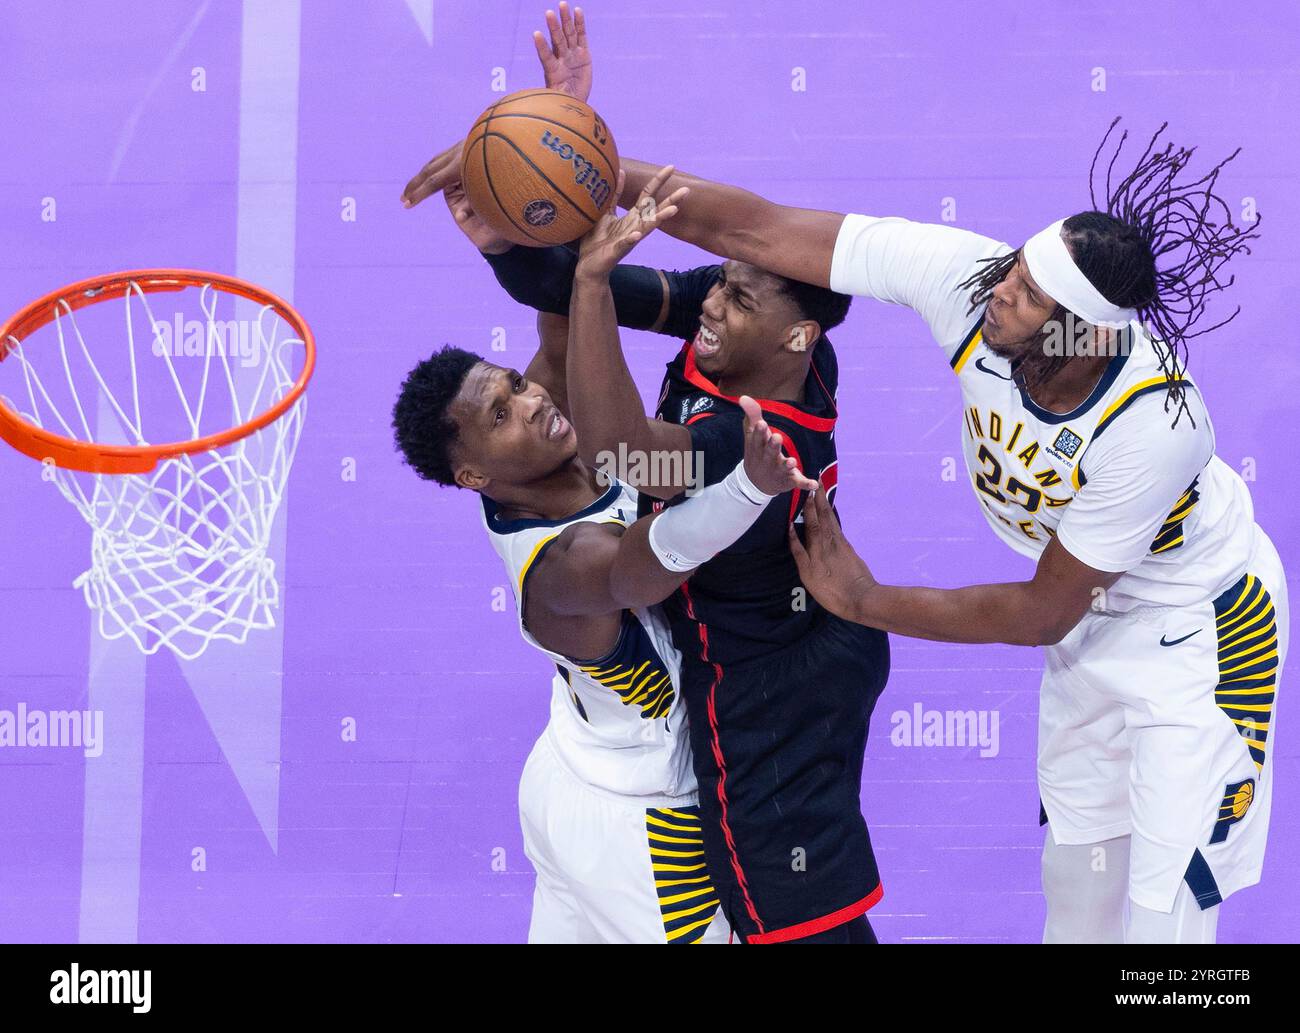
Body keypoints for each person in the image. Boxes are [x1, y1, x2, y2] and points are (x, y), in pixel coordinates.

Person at [447, 119, 1280, 946]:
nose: (1000, 288)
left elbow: (1037, 613)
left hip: (1193, 624)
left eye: (1027, 292)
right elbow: (755, 227)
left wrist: (869, 597)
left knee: (1166, 904)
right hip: (1081, 621)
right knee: (1080, 874)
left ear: (1085, 332)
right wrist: (578, 168)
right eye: (1015, 266)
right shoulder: (967, 286)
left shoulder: (1154, 426)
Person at [393, 140, 816, 943]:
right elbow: (648, 563)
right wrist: (746, 488)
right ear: (476, 475)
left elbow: (562, 320)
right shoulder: (558, 567)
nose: (531, 403)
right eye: (500, 416)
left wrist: (552, 164)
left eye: (511, 386)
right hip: (639, 825)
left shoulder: (540, 438)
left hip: (567, 776)